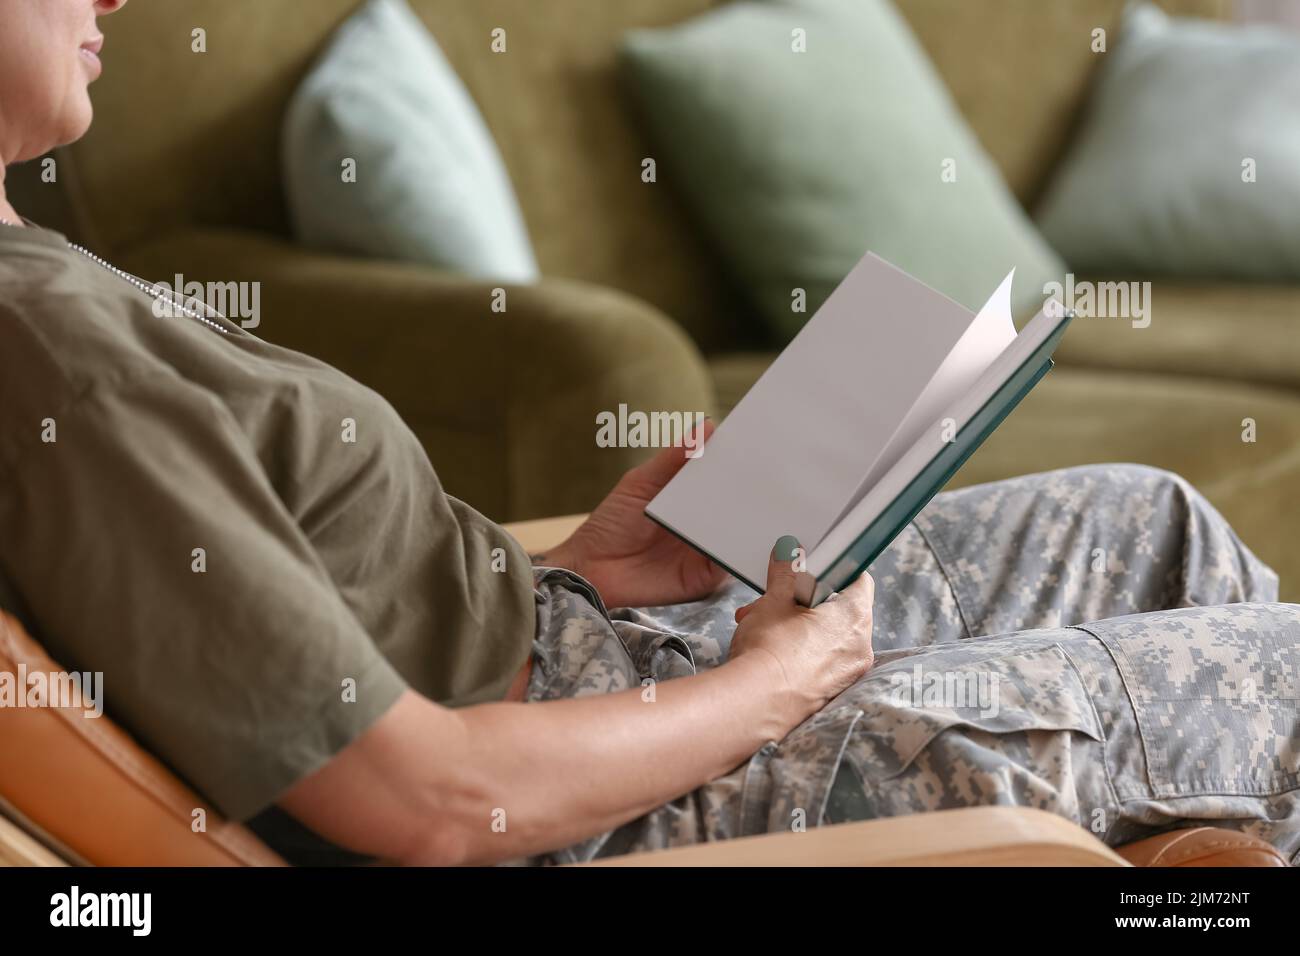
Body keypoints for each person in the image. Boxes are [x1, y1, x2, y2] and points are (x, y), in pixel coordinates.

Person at [1, 0, 1296, 867]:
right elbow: (425, 802)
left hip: (587, 660)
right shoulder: (47, 354)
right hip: (604, 813)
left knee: (1152, 519)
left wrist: (581, 571)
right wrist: (764, 689)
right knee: (1281, 674)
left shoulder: (50, 286)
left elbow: (306, 630)